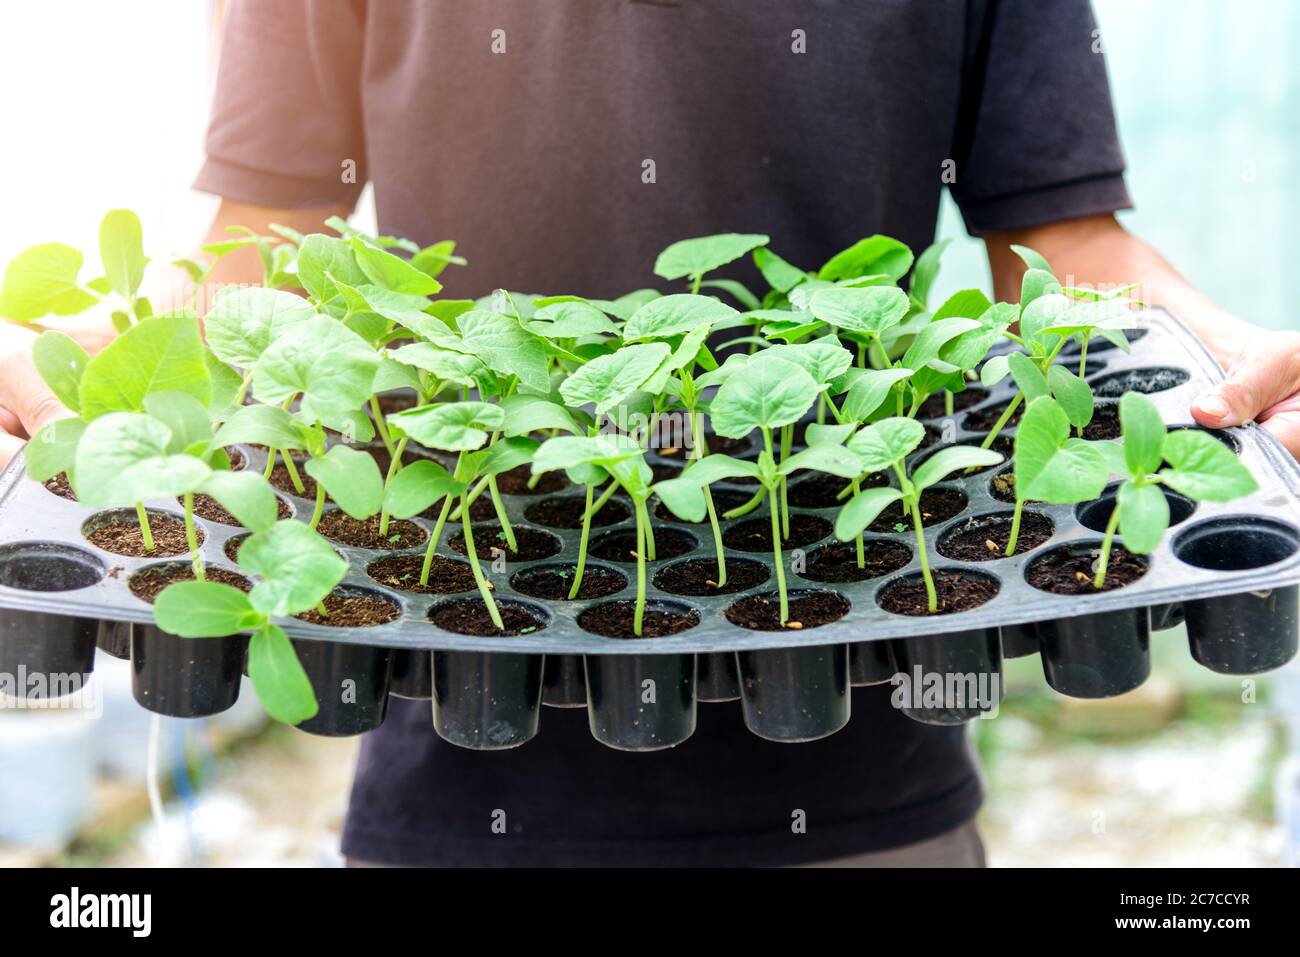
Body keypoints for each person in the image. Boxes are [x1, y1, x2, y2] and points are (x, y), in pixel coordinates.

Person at [1, 0, 1297, 866]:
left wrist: (1221, 360)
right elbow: (260, 252)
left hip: (866, 783)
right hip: (461, 761)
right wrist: (68, 399)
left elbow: (1062, 250)